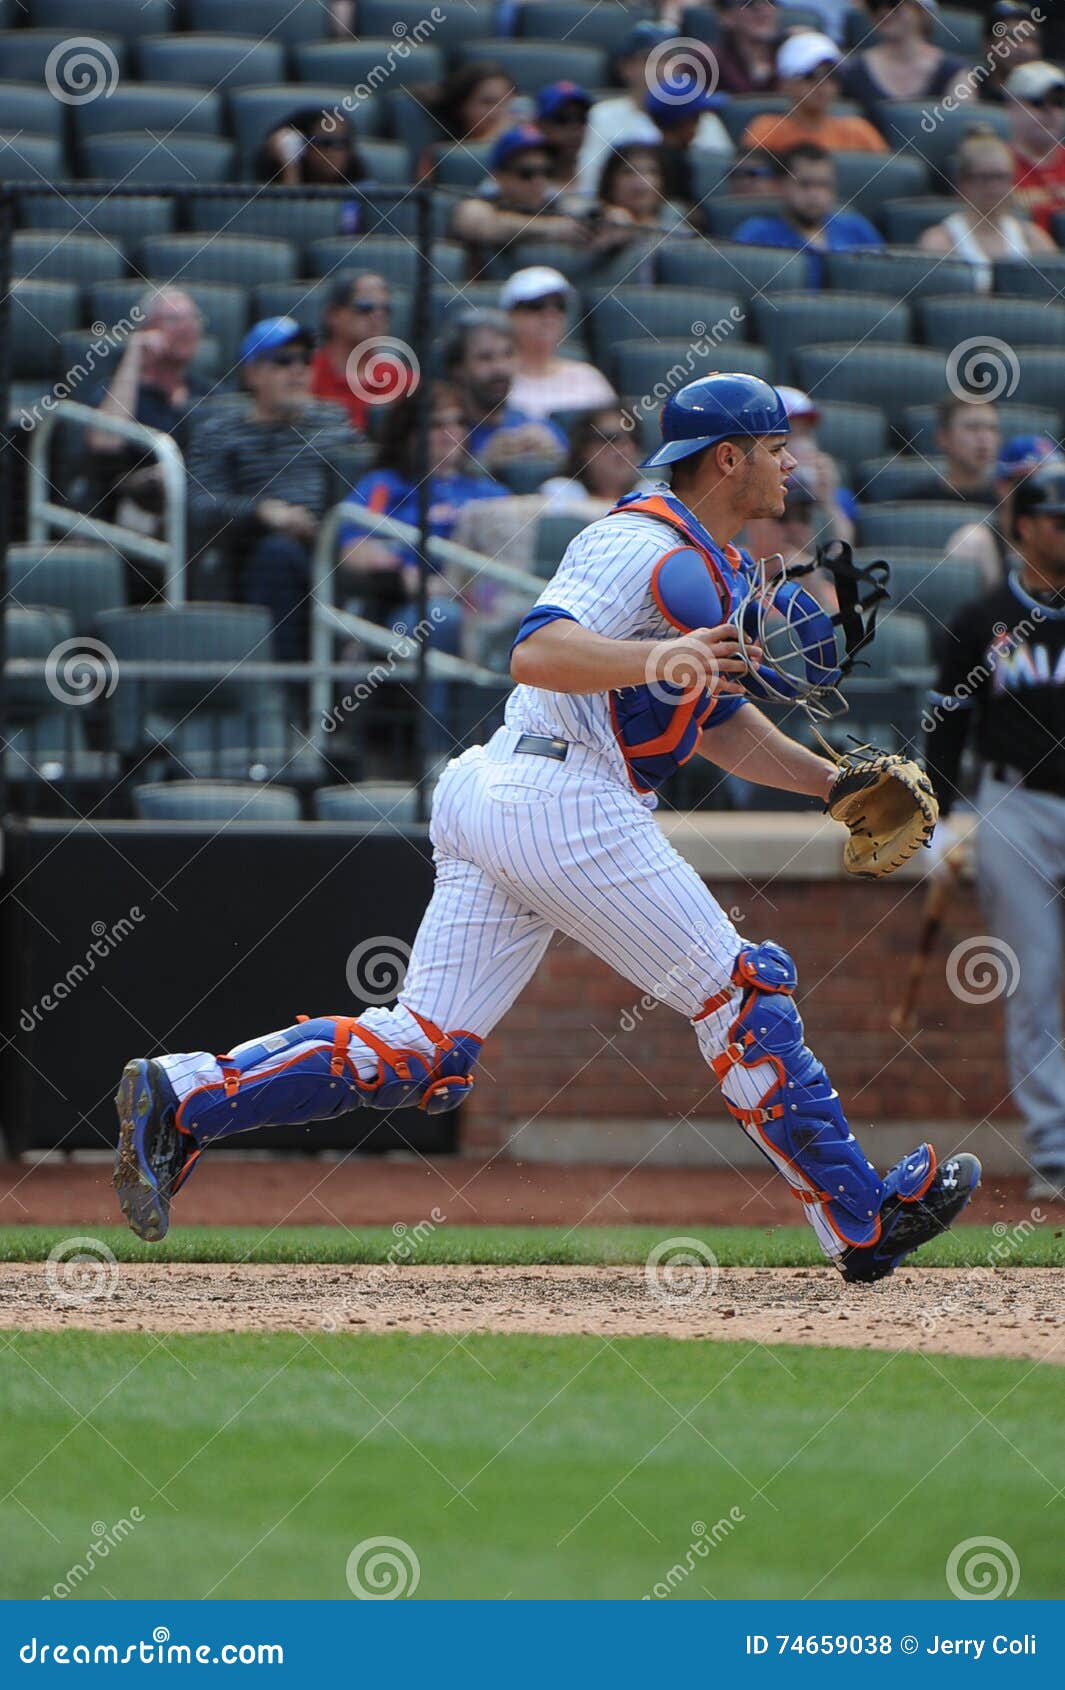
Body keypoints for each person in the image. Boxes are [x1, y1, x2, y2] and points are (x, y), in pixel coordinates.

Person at [113, 370, 982, 1283]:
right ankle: (860, 1217)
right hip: (562, 801)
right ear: (727, 458)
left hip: (509, 794)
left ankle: (185, 1097)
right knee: (740, 992)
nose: (787, 464)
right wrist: (663, 653)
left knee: (422, 1049)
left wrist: (826, 783)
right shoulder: (636, 536)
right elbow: (536, 647)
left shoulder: (715, 563)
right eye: (773, 448)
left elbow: (715, 716)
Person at [925, 463, 1065, 1202]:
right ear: (1022, 527)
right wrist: (943, 819)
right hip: (1013, 803)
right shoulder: (982, 618)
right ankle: (1056, 1149)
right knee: (1032, 978)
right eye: (1056, 519)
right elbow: (946, 723)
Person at [186, 317, 351, 661]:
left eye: (305, 360)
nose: (297, 371)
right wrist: (263, 512)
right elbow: (199, 504)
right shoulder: (219, 432)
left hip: (333, 546)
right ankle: (286, 694)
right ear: (252, 374)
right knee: (279, 554)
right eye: (283, 361)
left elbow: (367, 485)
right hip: (257, 551)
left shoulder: (335, 423)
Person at [85, 287, 206, 599]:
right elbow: (105, 440)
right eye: (174, 319)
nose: (187, 327)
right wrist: (134, 355)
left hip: (197, 505)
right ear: (147, 329)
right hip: (132, 513)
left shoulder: (207, 393)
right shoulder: (121, 390)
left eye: (192, 319)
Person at [573, 20, 733, 199]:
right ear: (625, 67)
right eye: (649, 59)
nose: (662, 69)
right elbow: (589, 183)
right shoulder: (603, 115)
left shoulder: (701, 116)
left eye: (670, 59)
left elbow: (723, 182)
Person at [450, 125, 602, 275]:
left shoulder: (557, 205)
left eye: (547, 172)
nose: (539, 181)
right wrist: (551, 228)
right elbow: (478, 223)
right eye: (527, 173)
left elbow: (604, 216)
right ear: (500, 176)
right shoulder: (481, 205)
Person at [919, 125, 1056, 284]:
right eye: (985, 178)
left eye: (1001, 177)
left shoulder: (1034, 240)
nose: (994, 187)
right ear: (965, 183)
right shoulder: (939, 241)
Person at [734, 142, 883, 287]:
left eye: (824, 185)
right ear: (780, 185)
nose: (815, 195)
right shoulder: (755, 235)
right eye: (805, 184)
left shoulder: (858, 229)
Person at [442, 310, 567, 476]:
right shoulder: (443, 433)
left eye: (508, 355)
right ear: (458, 369)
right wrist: (482, 464)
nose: (500, 368)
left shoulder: (541, 428)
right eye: (485, 358)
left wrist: (556, 460)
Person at [742, 32, 890, 155]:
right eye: (810, 76)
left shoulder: (859, 132)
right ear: (784, 83)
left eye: (831, 75)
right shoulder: (765, 131)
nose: (823, 85)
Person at [946, 433, 1063, 585]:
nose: (1043, 493)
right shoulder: (975, 543)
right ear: (1001, 486)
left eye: (1055, 484)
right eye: (1030, 482)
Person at [500, 267, 616, 420]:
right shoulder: (495, 379)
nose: (550, 315)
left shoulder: (588, 378)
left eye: (560, 306)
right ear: (510, 315)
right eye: (536, 305)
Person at [308, 273, 407, 433]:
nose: (378, 316)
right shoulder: (305, 373)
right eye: (365, 307)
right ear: (333, 315)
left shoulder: (402, 380)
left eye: (386, 309)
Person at [839, 0, 967, 118]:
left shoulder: (955, 73)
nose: (884, 12)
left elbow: (962, 127)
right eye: (875, 5)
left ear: (920, 9)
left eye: (893, 3)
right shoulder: (853, 71)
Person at [256, 105, 368, 233]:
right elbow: (289, 225)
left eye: (343, 142)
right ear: (302, 147)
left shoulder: (364, 191)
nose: (335, 151)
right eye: (326, 142)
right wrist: (290, 166)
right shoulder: (272, 192)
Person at [775, 384, 856, 542]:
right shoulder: (747, 493)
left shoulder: (836, 495)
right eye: (789, 434)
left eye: (805, 433)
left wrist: (828, 501)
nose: (800, 443)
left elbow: (841, 552)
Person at [893, 397, 1002, 504]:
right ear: (943, 437)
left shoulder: (1007, 504)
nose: (984, 438)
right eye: (972, 428)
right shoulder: (916, 503)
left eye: (992, 429)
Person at [540, 407, 645, 513]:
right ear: (584, 449)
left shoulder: (648, 492)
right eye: (611, 438)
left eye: (634, 438)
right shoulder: (562, 490)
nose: (627, 448)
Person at [1006, 60, 1065, 234]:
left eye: (1059, 103)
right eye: (1038, 102)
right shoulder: (992, 165)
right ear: (1012, 107)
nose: (1050, 111)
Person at [596, 141, 695, 238]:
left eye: (651, 172)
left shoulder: (679, 222)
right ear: (610, 180)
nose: (640, 182)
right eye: (628, 172)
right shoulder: (590, 223)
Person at [535, 80, 593, 206]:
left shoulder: (599, 174)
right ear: (540, 125)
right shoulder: (520, 174)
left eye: (581, 118)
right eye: (562, 119)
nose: (574, 127)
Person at [978, 2, 1045, 103]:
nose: (1024, 48)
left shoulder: (1050, 92)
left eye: (1031, 39)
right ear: (988, 44)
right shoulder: (970, 87)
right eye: (1012, 38)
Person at [713, 0, 781, 97]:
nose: (763, 9)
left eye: (770, 1)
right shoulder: (709, 61)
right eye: (749, 3)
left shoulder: (790, 54)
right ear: (725, 15)